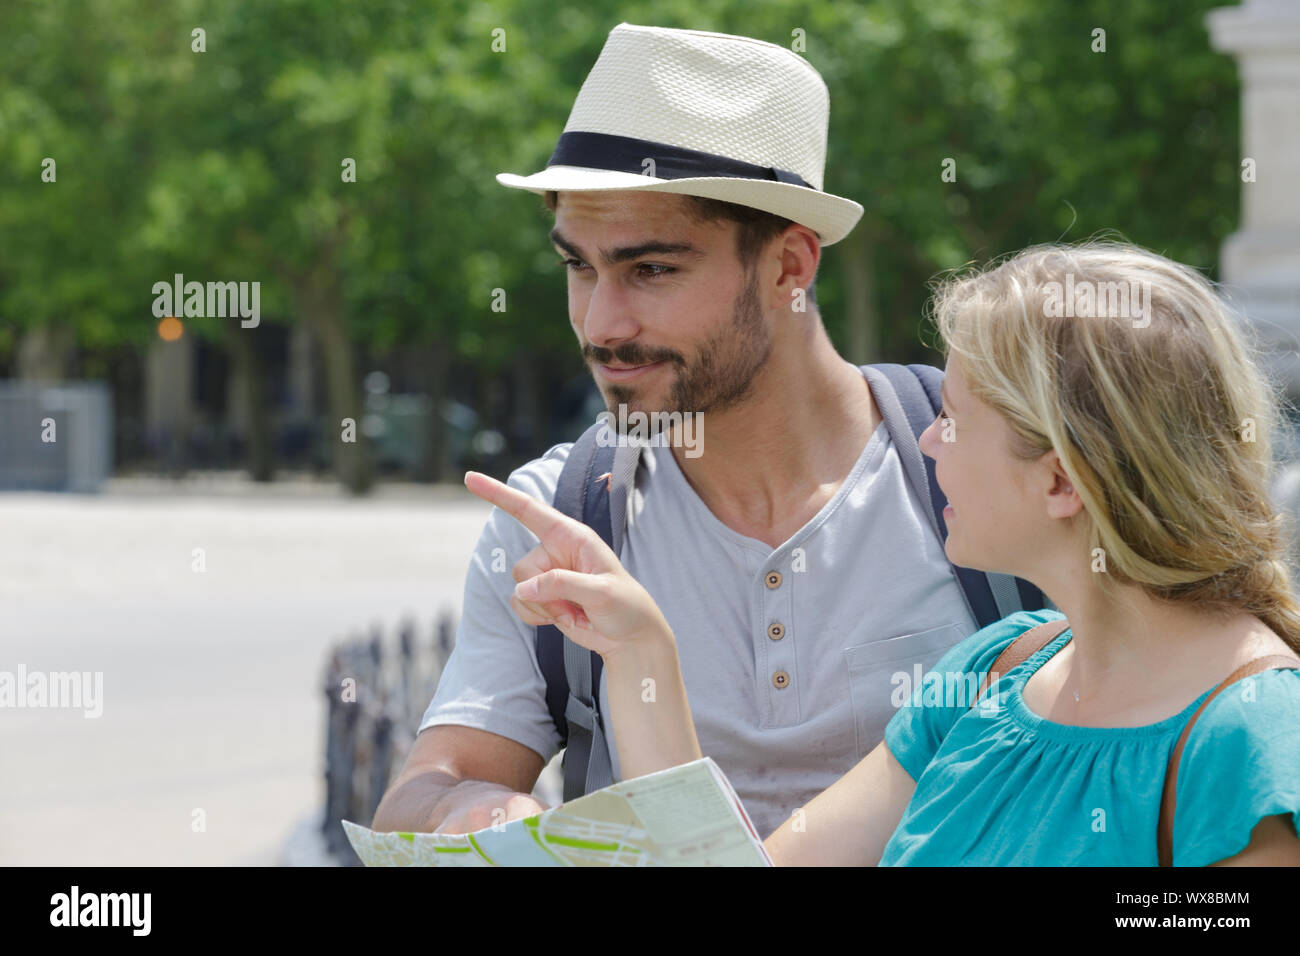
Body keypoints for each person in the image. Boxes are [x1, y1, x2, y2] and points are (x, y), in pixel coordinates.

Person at [372, 23, 1039, 838]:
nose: (601, 323)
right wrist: (472, 809)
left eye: (651, 270)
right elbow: (420, 795)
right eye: (578, 266)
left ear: (790, 266)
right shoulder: (561, 517)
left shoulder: (985, 474)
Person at [468, 241, 1300, 865]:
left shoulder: (1259, 742)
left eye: (959, 418)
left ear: (1060, 484)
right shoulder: (991, 672)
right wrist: (638, 649)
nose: (929, 438)